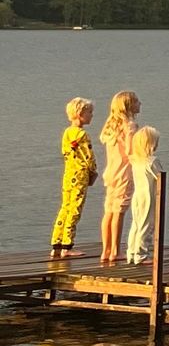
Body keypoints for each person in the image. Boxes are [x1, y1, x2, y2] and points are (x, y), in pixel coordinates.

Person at [97, 91, 141, 266]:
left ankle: (105, 250)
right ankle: (115, 250)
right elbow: (130, 150)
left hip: (111, 172)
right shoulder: (130, 126)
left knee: (109, 210)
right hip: (124, 172)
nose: (140, 104)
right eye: (137, 102)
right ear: (129, 106)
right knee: (119, 212)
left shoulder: (110, 126)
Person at [51, 98, 97, 257]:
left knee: (65, 207)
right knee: (75, 209)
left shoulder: (67, 132)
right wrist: (93, 172)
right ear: (80, 114)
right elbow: (88, 156)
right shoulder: (82, 134)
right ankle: (67, 246)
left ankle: (56, 243)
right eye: (89, 112)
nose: (92, 115)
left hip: (68, 174)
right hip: (80, 175)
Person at [127, 127, 162, 266]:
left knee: (136, 224)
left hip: (137, 196)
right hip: (149, 196)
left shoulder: (135, 161)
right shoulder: (152, 161)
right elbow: (160, 176)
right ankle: (141, 255)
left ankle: (131, 253)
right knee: (147, 225)